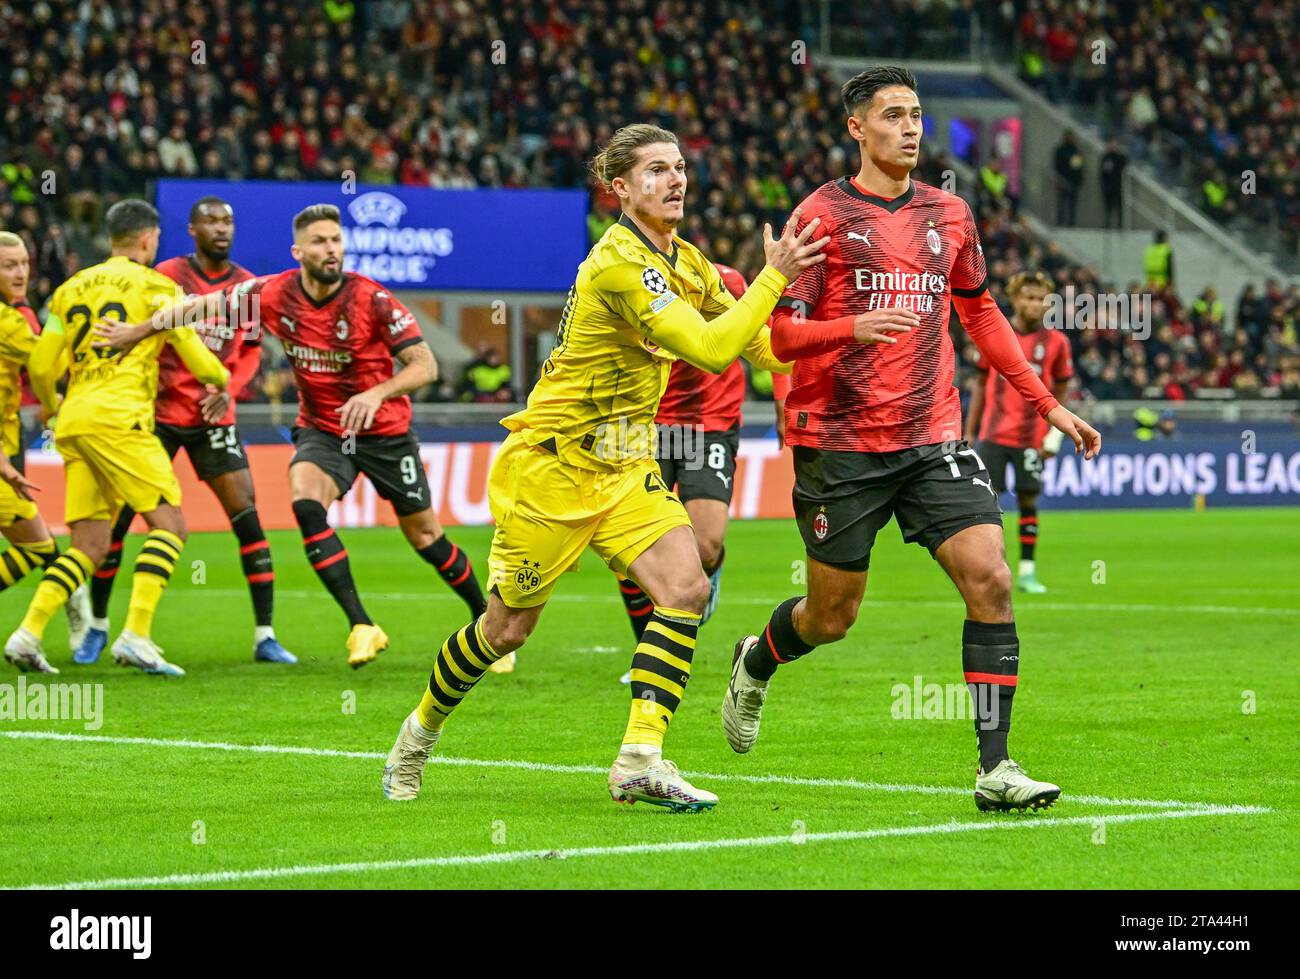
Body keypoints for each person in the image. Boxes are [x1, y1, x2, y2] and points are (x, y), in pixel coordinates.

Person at [380, 123, 827, 810]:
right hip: (553, 467)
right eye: (655, 170)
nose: (675, 180)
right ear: (619, 187)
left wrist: (841, 342)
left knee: (684, 585)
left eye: (679, 167)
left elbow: (756, 346)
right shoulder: (617, 264)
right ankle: (417, 733)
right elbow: (710, 348)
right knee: (505, 628)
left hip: (624, 463)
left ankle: (639, 759)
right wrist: (774, 277)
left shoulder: (686, 260)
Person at [722, 66, 1101, 813]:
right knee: (831, 615)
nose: (911, 126)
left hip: (933, 433)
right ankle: (757, 656)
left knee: (990, 578)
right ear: (856, 128)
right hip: (839, 441)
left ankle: (996, 767)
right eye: (893, 114)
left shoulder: (951, 215)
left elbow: (982, 314)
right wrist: (851, 326)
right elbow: (779, 334)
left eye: (918, 114)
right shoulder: (819, 217)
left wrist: (1047, 403)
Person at [99, 204, 487, 669]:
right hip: (323, 428)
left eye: (336, 241)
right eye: (320, 242)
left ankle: (485, 621)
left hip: (384, 432)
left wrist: (377, 394)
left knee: (426, 538)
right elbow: (197, 307)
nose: (330, 249)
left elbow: (425, 365)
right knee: (305, 504)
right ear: (298, 251)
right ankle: (362, 625)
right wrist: (135, 332)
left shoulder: (372, 299)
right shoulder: (273, 293)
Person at [5, 200, 230, 676]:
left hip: (74, 423)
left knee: (89, 544)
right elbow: (200, 361)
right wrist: (221, 380)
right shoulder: (157, 287)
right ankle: (137, 635)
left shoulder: (70, 289)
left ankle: (27, 635)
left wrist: (49, 405)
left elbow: (43, 365)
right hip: (121, 419)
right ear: (148, 239)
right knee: (170, 524)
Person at [78, 196, 295, 665]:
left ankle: (265, 636)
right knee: (120, 522)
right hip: (158, 414)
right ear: (192, 230)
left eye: (228, 221)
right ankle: (97, 626)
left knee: (248, 517)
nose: (222, 228)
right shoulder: (167, 274)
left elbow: (252, 350)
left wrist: (229, 389)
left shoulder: (244, 288)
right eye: (211, 221)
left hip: (215, 415)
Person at [614, 262, 789, 682]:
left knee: (705, 546)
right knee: (630, 550)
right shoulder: (628, 279)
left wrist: (784, 401)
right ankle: (650, 649)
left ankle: (708, 571)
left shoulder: (725, 281)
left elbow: (767, 336)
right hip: (647, 422)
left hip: (709, 423)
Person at [0, 231, 92, 655]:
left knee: (37, 541)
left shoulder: (19, 315)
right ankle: (75, 601)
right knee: (38, 543)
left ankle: (74, 602)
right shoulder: (13, 323)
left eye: (23, 264)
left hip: (9, 440)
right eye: (9, 266)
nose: (20, 273)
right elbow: (48, 365)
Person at [964, 272, 1074, 594]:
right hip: (994, 435)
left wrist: (1055, 435)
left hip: (1032, 438)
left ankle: (1027, 572)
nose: (1034, 304)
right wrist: (971, 432)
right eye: (1028, 297)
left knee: (1028, 500)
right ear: (1015, 299)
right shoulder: (995, 334)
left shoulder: (1057, 343)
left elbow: (1063, 390)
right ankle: (990, 568)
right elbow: (981, 386)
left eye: (1041, 298)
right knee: (986, 504)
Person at [1053, 131, 1085, 227]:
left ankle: (1071, 223)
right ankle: (1060, 223)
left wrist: (1078, 180)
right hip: (1063, 180)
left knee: (1072, 204)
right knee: (1061, 203)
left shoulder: (1075, 151)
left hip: (1073, 181)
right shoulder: (1060, 150)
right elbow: (1056, 166)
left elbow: (1078, 167)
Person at [1099, 138, 1128, 229]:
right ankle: (1107, 223)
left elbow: (1125, 163)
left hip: (1117, 185)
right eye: (1111, 144)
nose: (1112, 146)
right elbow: (1102, 172)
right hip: (1108, 185)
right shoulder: (1105, 157)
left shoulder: (1119, 157)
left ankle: (1120, 224)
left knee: (1119, 206)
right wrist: (1103, 184)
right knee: (1108, 206)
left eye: (1114, 144)